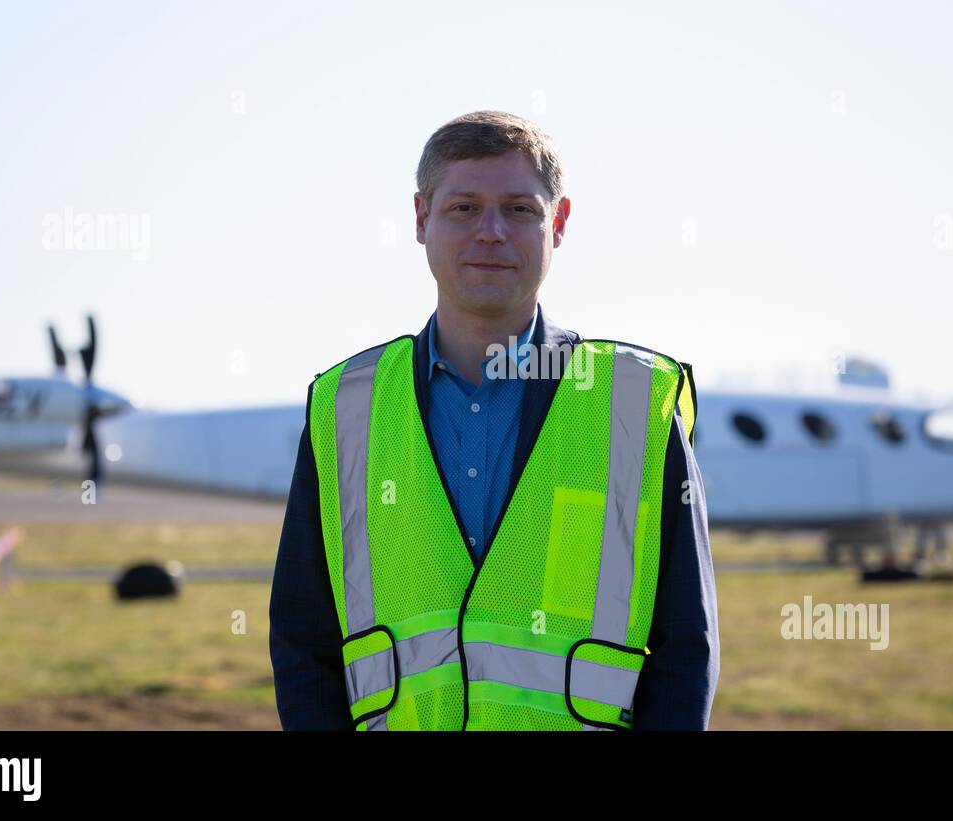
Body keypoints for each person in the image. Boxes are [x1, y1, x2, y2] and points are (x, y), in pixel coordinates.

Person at [269, 110, 718, 730]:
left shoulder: (636, 404)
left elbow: (685, 649)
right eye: (463, 208)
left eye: (519, 209)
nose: (491, 232)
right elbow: (303, 642)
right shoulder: (346, 406)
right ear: (421, 218)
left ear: (557, 224)